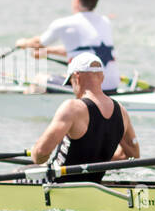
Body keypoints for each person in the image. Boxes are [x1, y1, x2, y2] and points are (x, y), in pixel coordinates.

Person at [28, 52, 139, 184]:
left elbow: (40, 154)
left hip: (57, 184)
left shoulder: (72, 108)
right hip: (92, 185)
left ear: (76, 76)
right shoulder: (121, 111)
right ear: (102, 78)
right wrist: (96, 158)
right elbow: (132, 155)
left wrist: (35, 153)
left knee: (16, 175)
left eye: (70, 82)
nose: (72, 88)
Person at [15, 0, 120, 91]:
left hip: (89, 88)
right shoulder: (105, 22)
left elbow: (37, 44)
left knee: (38, 80)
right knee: (64, 76)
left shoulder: (64, 23)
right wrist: (48, 51)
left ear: (77, 1)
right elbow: (83, 51)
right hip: (112, 84)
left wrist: (23, 43)